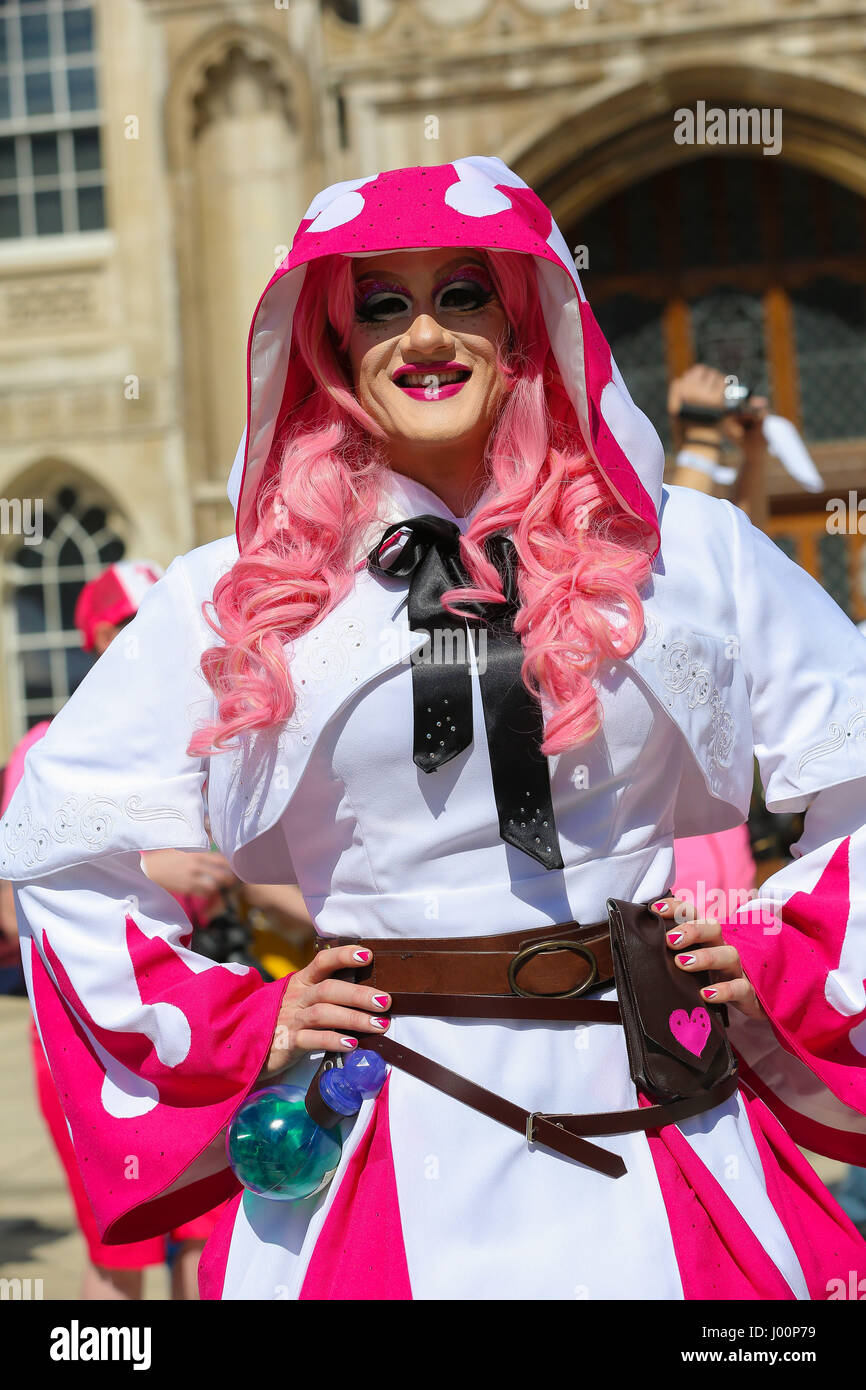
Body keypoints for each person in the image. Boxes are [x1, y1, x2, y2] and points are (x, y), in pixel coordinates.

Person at [3, 156, 866, 1302]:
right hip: (384, 1118)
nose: (423, 336)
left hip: (664, 1118)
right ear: (329, 339)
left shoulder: (683, 548)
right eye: (379, 302)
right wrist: (239, 1024)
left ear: (522, 320)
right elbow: (57, 833)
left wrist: (777, 957)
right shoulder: (240, 590)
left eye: (461, 294)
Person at [1, 562, 236, 1299]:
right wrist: (164, 869)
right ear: (93, 635)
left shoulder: (194, 747)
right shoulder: (49, 749)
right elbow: (24, 889)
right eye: (126, 626)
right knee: (124, 1244)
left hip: (190, 1007)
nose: (147, 641)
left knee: (209, 1228)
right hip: (92, 1023)